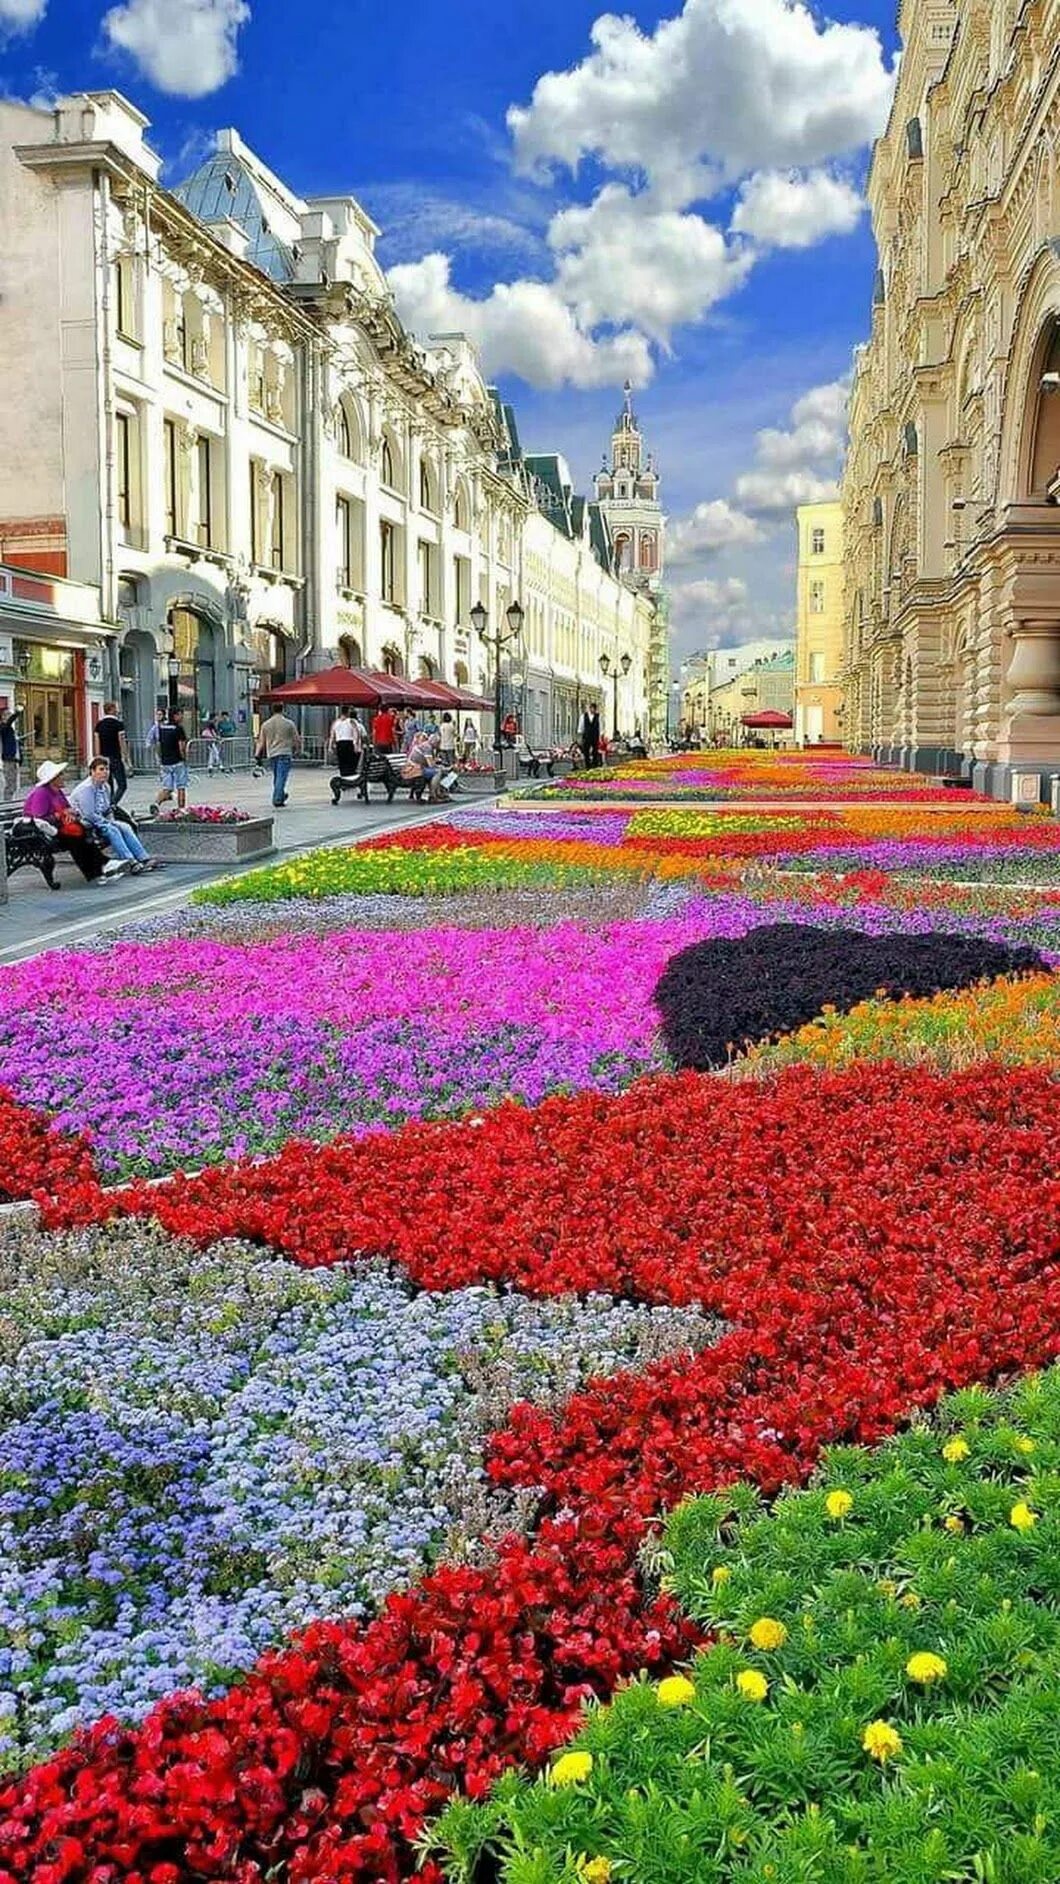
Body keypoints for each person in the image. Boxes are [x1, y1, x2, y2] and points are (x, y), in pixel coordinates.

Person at [22, 759, 111, 882]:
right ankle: (100, 867)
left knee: (81, 832)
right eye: (60, 775)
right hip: (41, 832)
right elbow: (40, 819)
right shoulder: (41, 793)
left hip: (60, 826)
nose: (63, 777)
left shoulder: (57, 792)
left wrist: (72, 814)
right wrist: (61, 814)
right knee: (74, 839)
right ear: (53, 779)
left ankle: (99, 869)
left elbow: (68, 808)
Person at [70, 758, 159, 876]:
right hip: (86, 824)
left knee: (125, 826)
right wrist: (108, 823)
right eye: (101, 769)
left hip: (102, 820)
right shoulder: (86, 789)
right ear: (92, 771)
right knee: (113, 830)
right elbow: (89, 814)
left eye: (107, 769)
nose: (105, 772)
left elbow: (107, 809)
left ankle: (143, 858)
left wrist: (111, 820)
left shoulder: (105, 786)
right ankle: (131, 862)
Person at [256, 704, 301, 807]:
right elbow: (297, 739)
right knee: (281, 777)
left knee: (277, 777)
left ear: (272, 710)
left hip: (272, 753)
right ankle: (277, 798)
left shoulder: (266, 724)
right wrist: (297, 749)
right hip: (285, 752)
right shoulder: (289, 723)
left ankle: (280, 795)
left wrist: (257, 754)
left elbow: (260, 741)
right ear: (283, 710)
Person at [152, 710, 189, 812]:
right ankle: (181, 809)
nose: (182, 717)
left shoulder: (162, 728)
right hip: (177, 761)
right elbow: (181, 746)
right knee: (181, 786)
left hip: (165, 762)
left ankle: (156, 803)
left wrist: (160, 758)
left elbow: (159, 744)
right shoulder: (179, 728)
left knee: (167, 788)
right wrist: (184, 758)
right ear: (175, 715)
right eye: (180, 714)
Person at [94, 702, 130, 803]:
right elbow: (121, 741)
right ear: (112, 709)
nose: (118, 711)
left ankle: (108, 803)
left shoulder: (99, 725)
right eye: (116, 708)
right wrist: (125, 756)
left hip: (104, 758)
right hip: (115, 757)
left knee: (108, 786)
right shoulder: (118, 724)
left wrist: (98, 757)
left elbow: (97, 742)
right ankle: (112, 805)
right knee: (122, 785)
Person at [328, 705, 365, 779]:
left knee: (342, 762)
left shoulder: (336, 722)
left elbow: (332, 735)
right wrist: (356, 745)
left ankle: (343, 776)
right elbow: (356, 733)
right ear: (348, 712)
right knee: (350, 762)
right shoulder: (352, 721)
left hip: (339, 743)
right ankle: (350, 777)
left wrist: (330, 746)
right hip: (349, 743)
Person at [0, 708, 21, 800]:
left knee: (14, 785)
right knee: (9, 784)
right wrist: (18, 712)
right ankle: (7, 805)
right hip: (8, 760)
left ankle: (10, 801)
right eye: (8, 714)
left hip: (13, 759)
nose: (10, 715)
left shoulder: (9, 729)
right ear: (3, 716)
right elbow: (9, 721)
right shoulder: (3, 727)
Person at [580, 704, 601, 769]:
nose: (593, 710)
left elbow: (601, 726)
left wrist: (601, 735)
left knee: (595, 751)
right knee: (586, 751)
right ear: (590, 708)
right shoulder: (584, 716)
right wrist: (581, 733)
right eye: (592, 708)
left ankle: (595, 764)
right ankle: (587, 765)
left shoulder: (598, 716)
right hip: (586, 735)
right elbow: (581, 725)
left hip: (595, 736)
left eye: (594, 709)